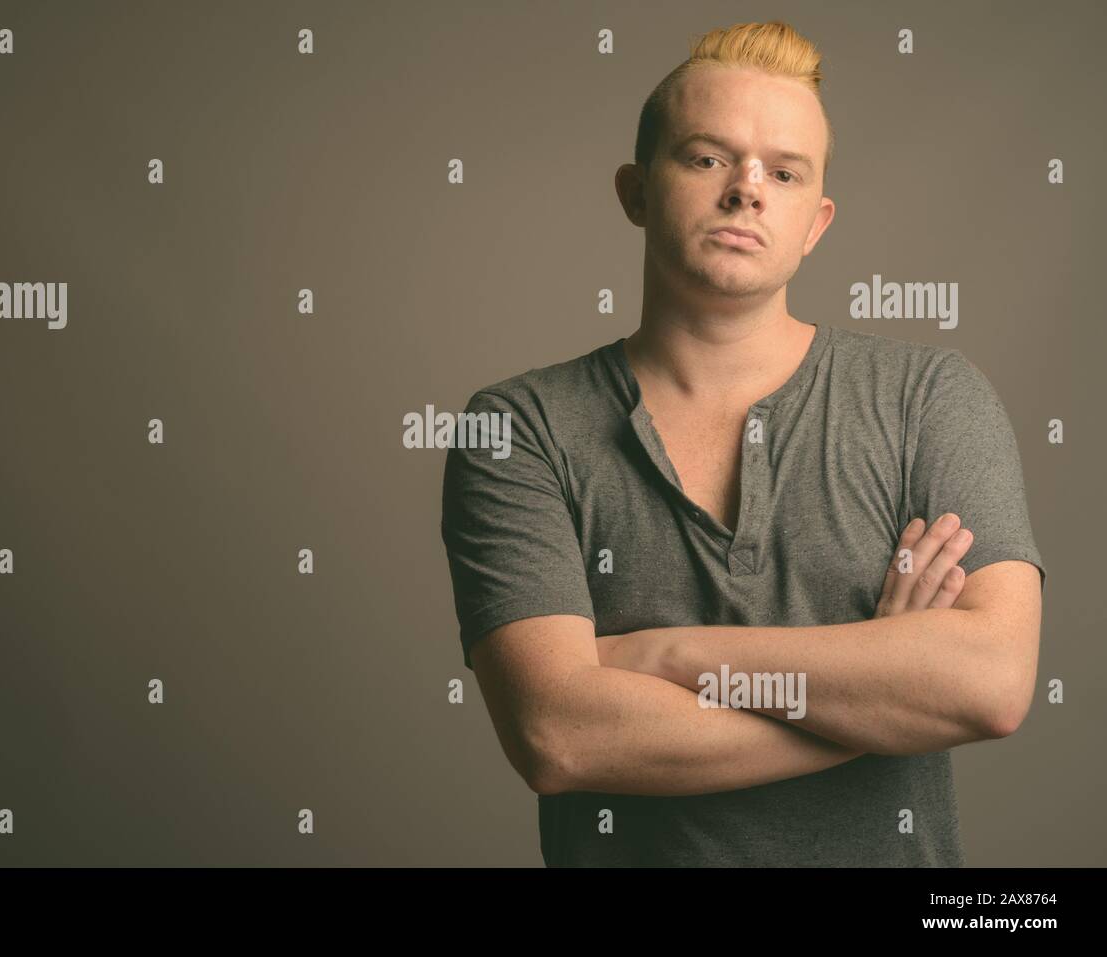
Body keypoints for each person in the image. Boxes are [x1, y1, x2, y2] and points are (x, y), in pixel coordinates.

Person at [439, 20, 1045, 867]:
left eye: (784, 171)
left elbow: (989, 684)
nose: (747, 190)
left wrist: (661, 654)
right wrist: (882, 702)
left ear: (815, 222)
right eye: (706, 157)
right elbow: (560, 736)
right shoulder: (516, 429)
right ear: (636, 190)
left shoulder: (930, 399)